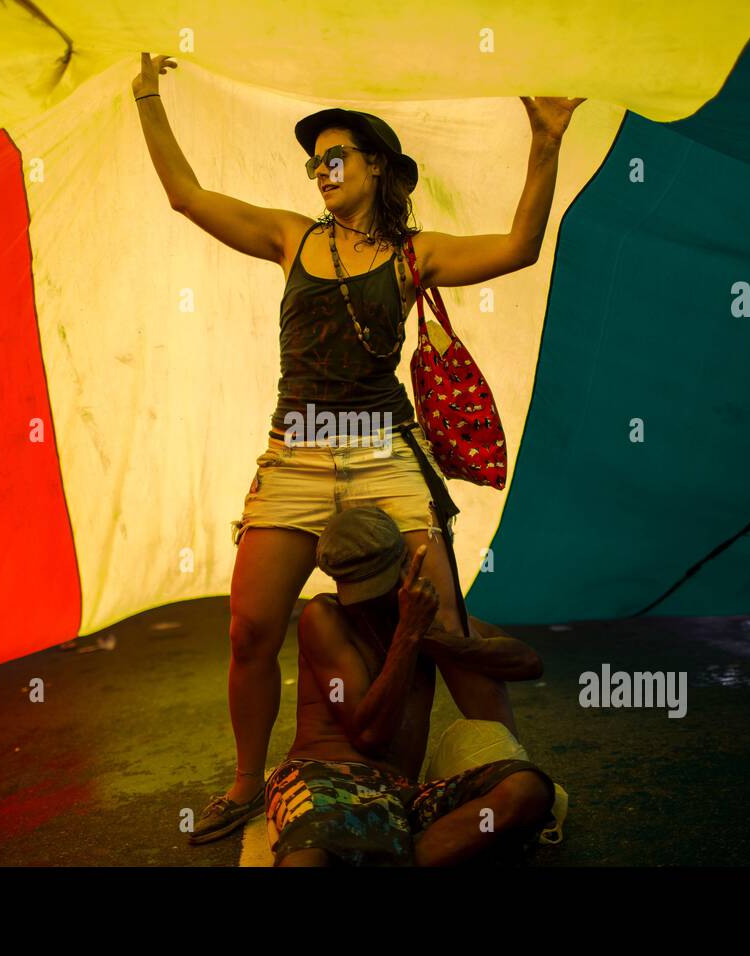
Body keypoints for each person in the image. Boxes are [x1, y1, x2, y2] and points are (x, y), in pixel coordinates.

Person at [130, 53, 584, 844]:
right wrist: (147, 95)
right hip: (298, 453)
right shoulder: (288, 237)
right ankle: (245, 781)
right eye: (313, 161)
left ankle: (517, 774)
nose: (320, 170)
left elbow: (520, 246)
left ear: (376, 166)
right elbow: (185, 196)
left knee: (447, 625)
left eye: (335, 156)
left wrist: (544, 142)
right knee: (248, 629)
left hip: (384, 453)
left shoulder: (415, 255)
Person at [268, 506, 553, 866]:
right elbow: (370, 736)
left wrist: (440, 641)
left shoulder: (426, 616)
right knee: (309, 853)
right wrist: (409, 636)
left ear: (406, 564)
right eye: (356, 589)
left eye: (375, 587)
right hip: (323, 777)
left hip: (401, 793)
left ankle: (396, 857)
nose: (366, 601)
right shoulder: (324, 616)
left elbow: (529, 663)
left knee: (527, 790)